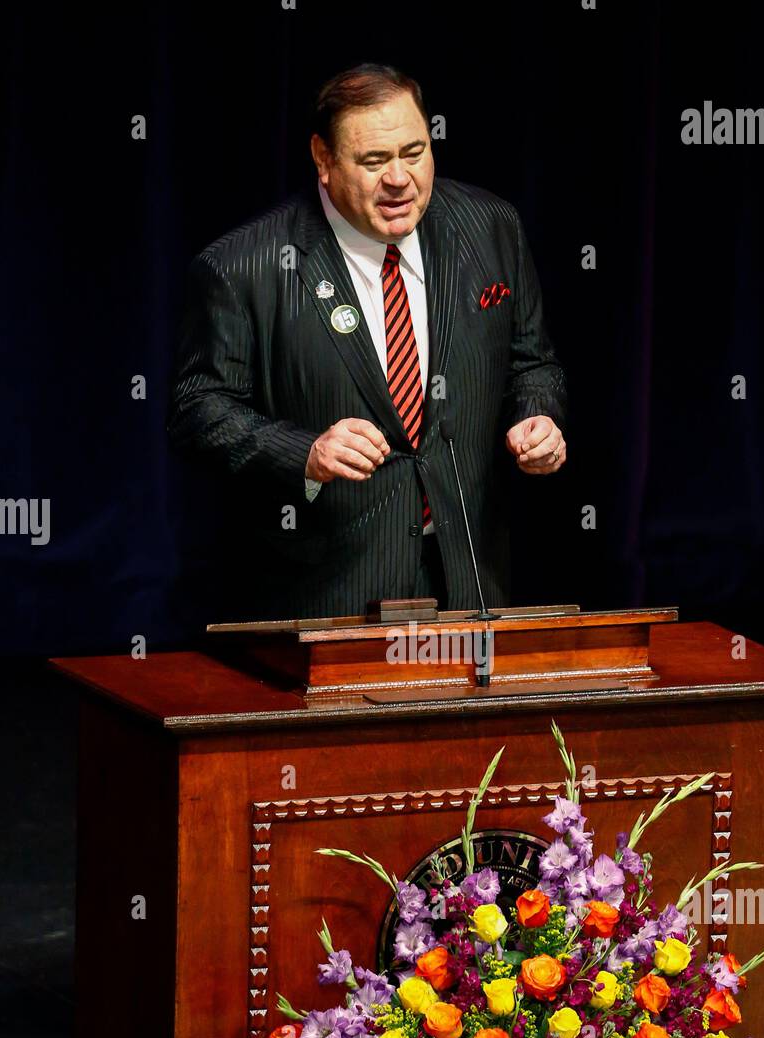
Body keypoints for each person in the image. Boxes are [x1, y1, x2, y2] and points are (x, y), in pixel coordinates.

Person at [167, 63, 567, 620]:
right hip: (324, 594)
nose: (400, 178)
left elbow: (533, 364)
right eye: (374, 161)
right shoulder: (244, 266)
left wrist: (539, 416)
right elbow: (197, 411)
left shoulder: (490, 227)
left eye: (415, 151)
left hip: (472, 584)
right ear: (323, 159)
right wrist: (305, 452)